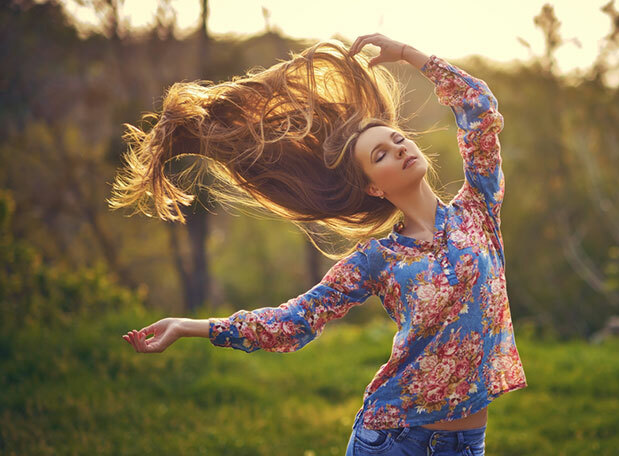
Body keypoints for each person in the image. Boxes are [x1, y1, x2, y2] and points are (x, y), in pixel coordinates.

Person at [115, 33, 527, 456]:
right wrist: (189, 327)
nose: (398, 148)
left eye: (397, 138)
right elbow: (294, 322)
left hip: (467, 443)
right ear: (373, 187)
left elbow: (478, 106)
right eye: (380, 154)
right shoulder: (376, 260)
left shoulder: (478, 209)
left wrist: (408, 55)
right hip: (394, 439)